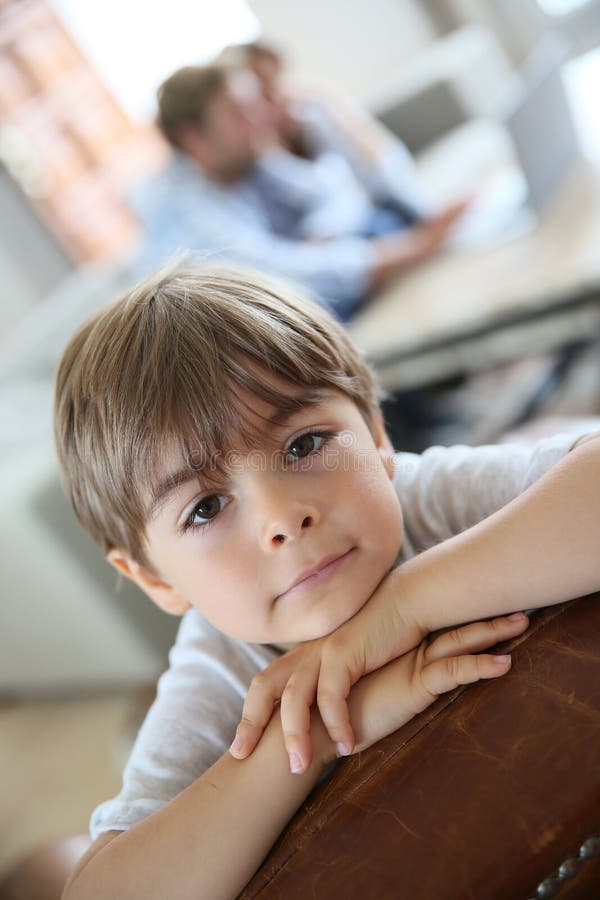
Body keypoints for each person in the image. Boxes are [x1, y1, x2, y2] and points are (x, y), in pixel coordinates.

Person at [55, 262, 599, 899]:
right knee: (44, 870)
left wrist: (408, 603)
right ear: (153, 578)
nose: (283, 516)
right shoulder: (225, 670)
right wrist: (308, 733)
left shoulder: (425, 502)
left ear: (375, 436)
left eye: (304, 445)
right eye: (205, 508)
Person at [130, 63, 467, 322]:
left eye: (254, 106)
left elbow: (335, 192)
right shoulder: (181, 209)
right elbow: (281, 279)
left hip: (289, 301)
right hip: (244, 340)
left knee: (384, 223)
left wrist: (322, 230)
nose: (259, 119)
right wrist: (419, 245)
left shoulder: (242, 162)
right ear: (192, 138)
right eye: (239, 113)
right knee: (351, 273)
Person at [219, 40, 431, 219]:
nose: (278, 97)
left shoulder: (313, 111)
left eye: (276, 81)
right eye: (262, 93)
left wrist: (333, 112)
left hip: (378, 203)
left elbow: (388, 170)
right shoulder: (256, 156)